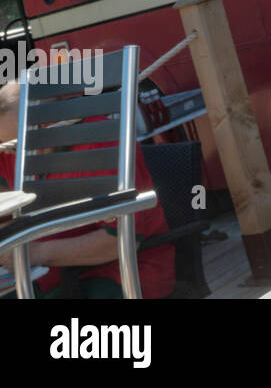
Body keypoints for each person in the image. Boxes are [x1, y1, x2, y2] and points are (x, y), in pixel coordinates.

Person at [0, 82, 175, 299]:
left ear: (49, 124)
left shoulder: (102, 143)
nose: (10, 154)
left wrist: (34, 253)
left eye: (15, 146)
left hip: (122, 273)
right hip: (50, 274)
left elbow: (117, 241)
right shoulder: (11, 148)